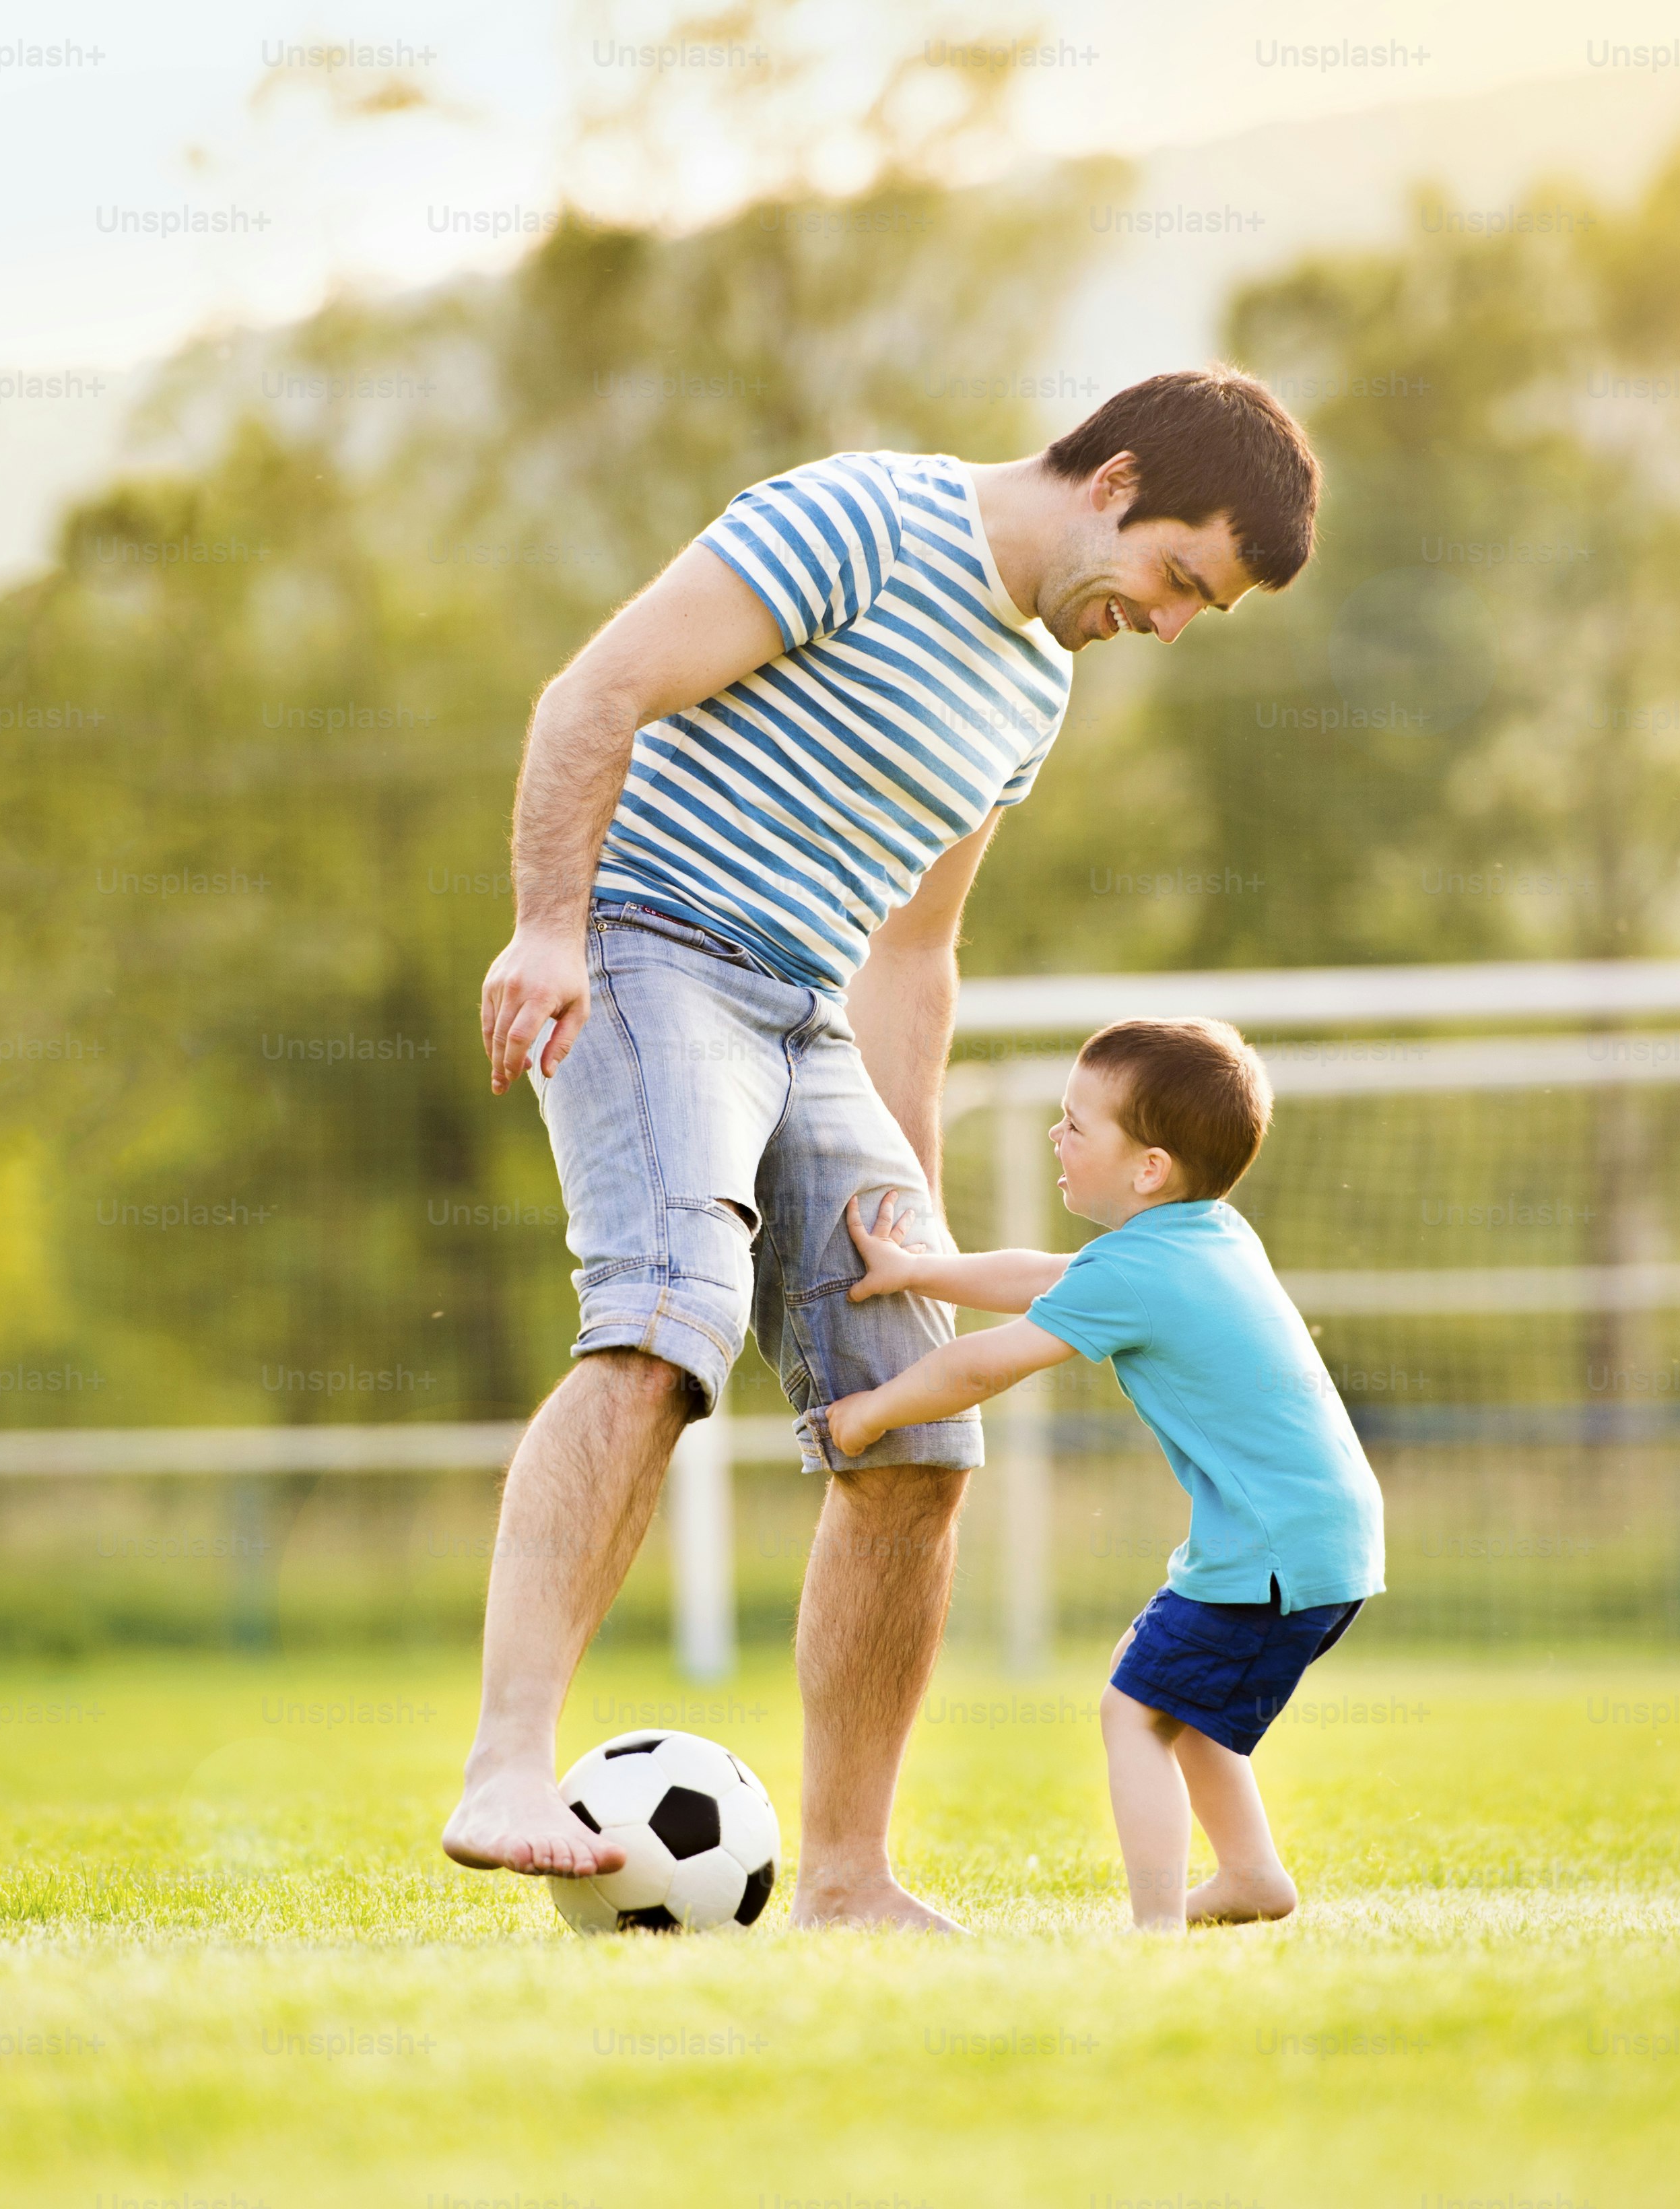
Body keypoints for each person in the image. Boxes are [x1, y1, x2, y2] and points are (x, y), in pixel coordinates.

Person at [441, 370, 1324, 1930]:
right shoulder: (859, 519)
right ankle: (507, 1764)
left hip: (807, 1012)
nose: (1169, 622)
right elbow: (591, 693)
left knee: (917, 1433)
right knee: (664, 1315)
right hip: (652, 951)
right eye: (1178, 577)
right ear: (1114, 481)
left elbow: (913, 955)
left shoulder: (1032, 688)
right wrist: (545, 927)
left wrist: (901, 1214)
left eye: (1203, 611)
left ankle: (847, 1872)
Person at [818, 1018, 1385, 1929]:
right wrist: (918, 1273)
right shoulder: (1205, 1235)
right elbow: (1045, 1276)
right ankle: (1250, 1877)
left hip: (1273, 1549)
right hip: (1324, 1539)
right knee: (1167, 1692)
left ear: (1148, 1168)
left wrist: (868, 1413)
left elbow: (981, 1367)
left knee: (1133, 1714)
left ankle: (1155, 1930)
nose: (1057, 1135)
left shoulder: (1142, 1270)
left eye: (1078, 1125)